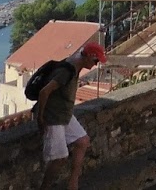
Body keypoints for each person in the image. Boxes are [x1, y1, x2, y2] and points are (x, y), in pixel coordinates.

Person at [33, 41, 107, 190]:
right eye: (96, 60)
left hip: (64, 113)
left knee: (83, 141)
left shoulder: (76, 65)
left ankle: (73, 183)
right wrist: (40, 118)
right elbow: (44, 92)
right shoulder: (67, 71)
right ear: (89, 56)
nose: (96, 64)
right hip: (53, 116)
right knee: (59, 158)